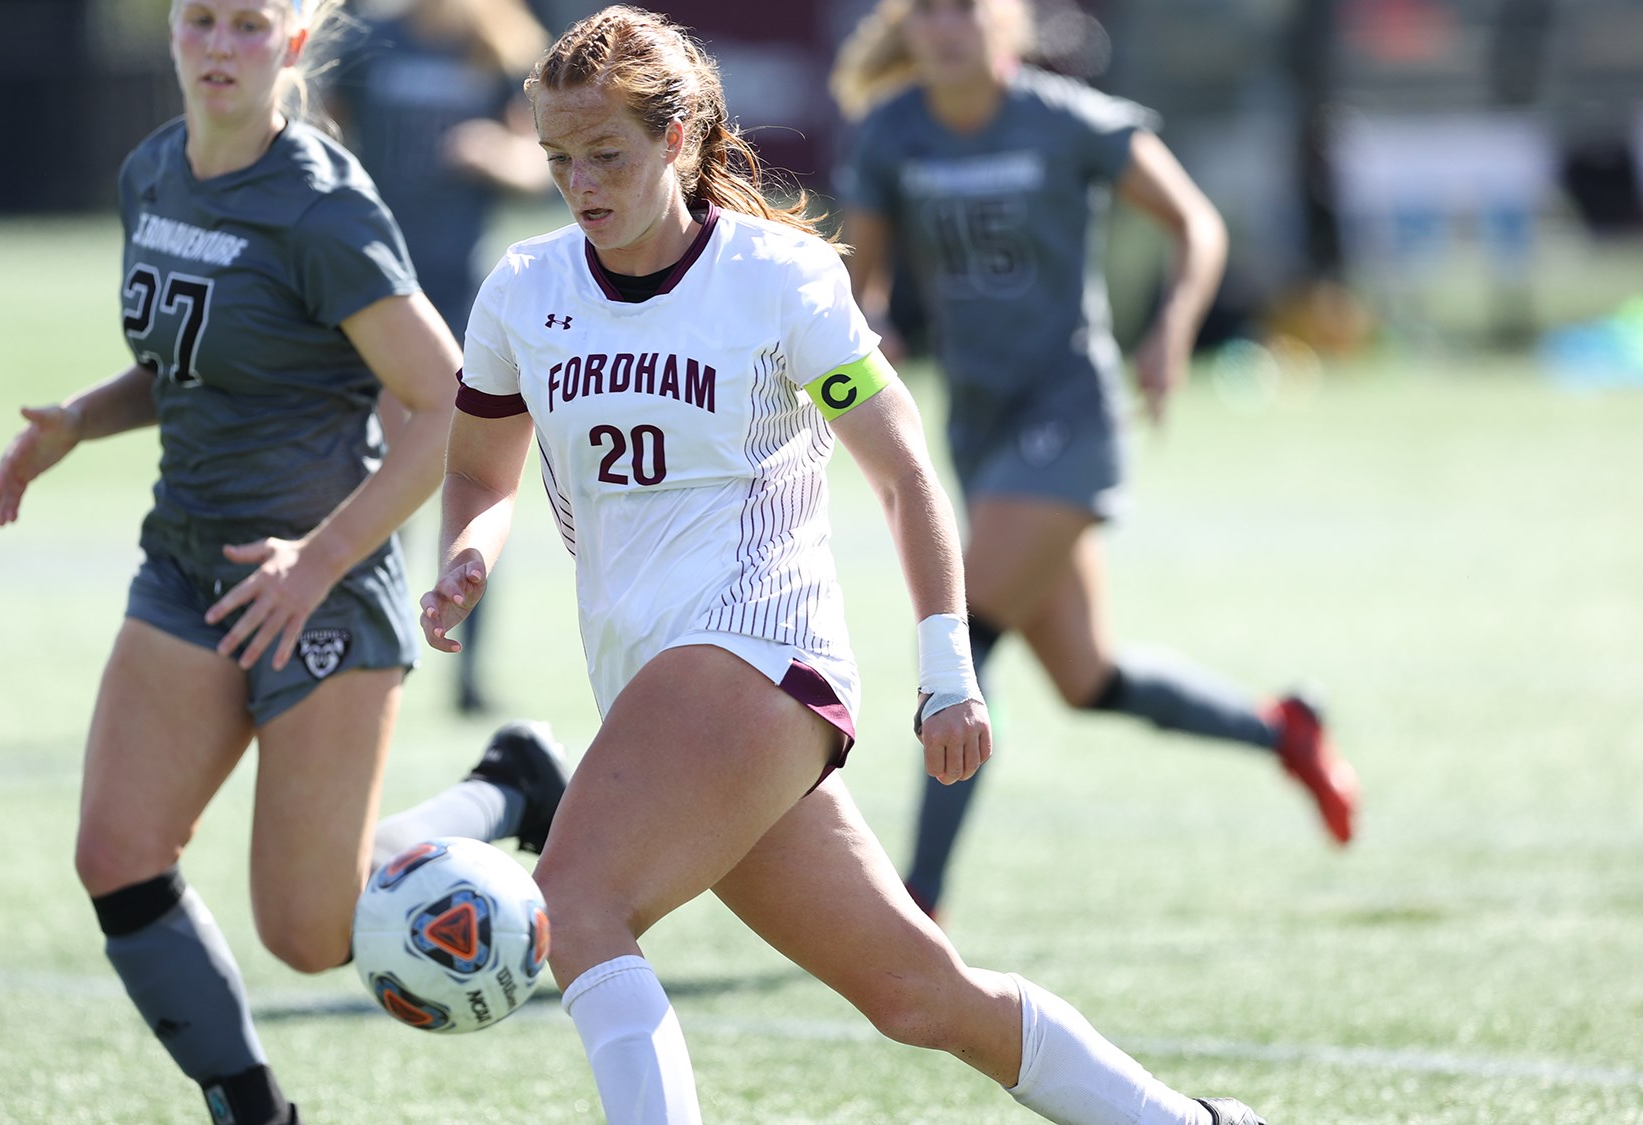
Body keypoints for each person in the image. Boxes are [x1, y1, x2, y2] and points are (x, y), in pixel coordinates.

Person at [422, 8, 1264, 1123]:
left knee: (572, 906)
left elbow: (905, 475)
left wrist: (948, 672)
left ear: (677, 139)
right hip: (651, 687)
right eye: (560, 157)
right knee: (919, 996)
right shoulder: (523, 290)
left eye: (607, 154)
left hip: (754, 657)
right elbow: (480, 472)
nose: (580, 181)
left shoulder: (780, 279)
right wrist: (466, 557)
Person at [0, 3, 564, 1122]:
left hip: (326, 592)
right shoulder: (153, 172)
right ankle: (252, 1109)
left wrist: (317, 558)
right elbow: (194, 361)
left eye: (249, 25)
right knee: (117, 855)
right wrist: (78, 420)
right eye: (198, 19)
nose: (217, 45)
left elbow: (449, 405)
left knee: (309, 933)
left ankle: (505, 791)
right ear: (169, 33)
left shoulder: (323, 204)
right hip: (186, 566)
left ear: (291, 46)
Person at [830, 0, 1363, 920]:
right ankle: (1283, 729)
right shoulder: (891, 133)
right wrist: (871, 332)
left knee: (968, 628)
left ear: (1005, 25)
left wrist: (1170, 332)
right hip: (979, 431)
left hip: (1071, 416)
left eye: (962, 11)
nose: (945, 28)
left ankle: (919, 900)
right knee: (1089, 679)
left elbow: (1197, 226)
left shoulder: (1068, 120)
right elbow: (861, 285)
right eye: (926, 13)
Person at [327, 0, 555, 714]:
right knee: (378, 474)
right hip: (376, 294)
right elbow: (323, 136)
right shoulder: (369, 37)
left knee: (475, 483)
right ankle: (370, 655)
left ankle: (467, 670)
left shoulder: (501, 45)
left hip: (465, 299)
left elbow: (545, 160)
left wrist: (498, 154)